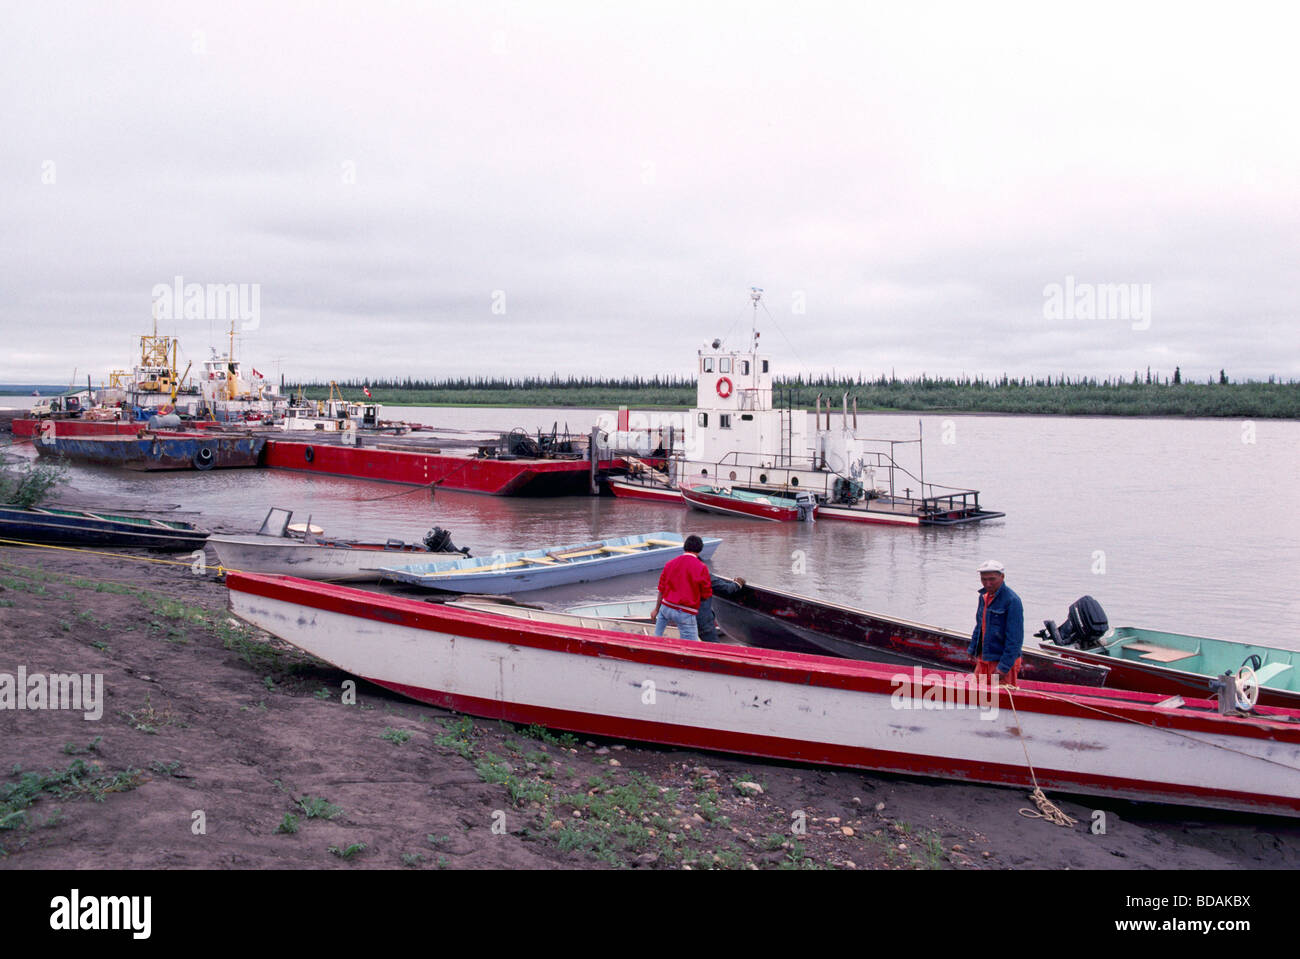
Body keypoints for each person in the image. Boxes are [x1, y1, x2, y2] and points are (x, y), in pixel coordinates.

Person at [968, 560, 1024, 684]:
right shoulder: (983, 597)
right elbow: (980, 626)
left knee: (998, 697)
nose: (988, 584)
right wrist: (972, 649)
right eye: (984, 579)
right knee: (978, 694)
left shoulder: (1012, 600)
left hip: (1002, 661)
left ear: (1002, 577)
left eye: (992, 579)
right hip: (984, 658)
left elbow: (1015, 639)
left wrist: (1003, 667)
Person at [653, 535, 712, 641]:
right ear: (700, 550)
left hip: (666, 607)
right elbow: (706, 594)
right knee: (691, 646)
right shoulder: (701, 567)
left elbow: (661, 589)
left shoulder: (670, 563)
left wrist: (656, 610)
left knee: (657, 637)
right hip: (685, 612)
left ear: (685, 547)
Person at [697, 573, 745, 643]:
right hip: (702, 616)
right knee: (713, 644)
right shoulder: (700, 571)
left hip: (683, 613)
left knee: (688, 639)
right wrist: (737, 584)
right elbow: (726, 588)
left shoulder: (678, 567)